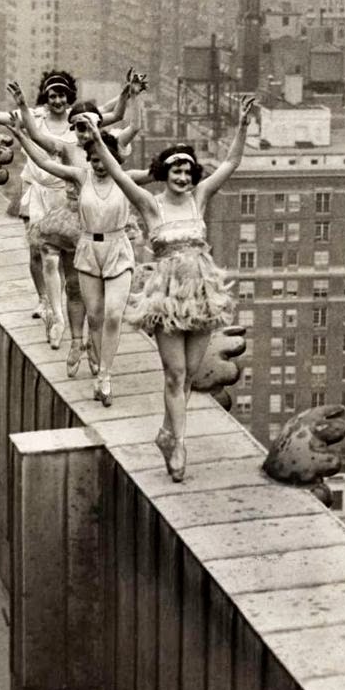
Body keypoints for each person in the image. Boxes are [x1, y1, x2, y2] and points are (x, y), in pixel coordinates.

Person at [85, 94, 256, 482]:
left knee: (192, 374)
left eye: (188, 172)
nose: (183, 178)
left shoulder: (200, 197)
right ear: (165, 173)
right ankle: (178, 445)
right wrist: (97, 139)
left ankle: (166, 432)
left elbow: (230, 163)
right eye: (176, 171)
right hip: (165, 296)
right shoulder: (149, 204)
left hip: (200, 295)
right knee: (174, 374)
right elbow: (118, 174)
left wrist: (243, 127)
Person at [0, 71, 138, 351]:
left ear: (69, 97)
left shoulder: (82, 124)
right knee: (42, 254)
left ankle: (75, 316)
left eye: (62, 95)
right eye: (53, 95)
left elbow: (117, 112)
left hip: (68, 195)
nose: (58, 100)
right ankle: (50, 306)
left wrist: (129, 93)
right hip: (39, 189)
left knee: (71, 267)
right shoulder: (35, 117)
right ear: (46, 97)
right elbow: (0, 118)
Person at [7, 82, 151, 406]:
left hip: (112, 234)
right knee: (78, 294)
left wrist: (134, 96)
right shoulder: (75, 160)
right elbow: (43, 155)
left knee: (107, 312)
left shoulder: (113, 153)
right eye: (80, 126)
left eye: (90, 124)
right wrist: (22, 127)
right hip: (78, 227)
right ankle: (77, 342)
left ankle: (101, 367)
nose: (85, 131)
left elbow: (132, 126)